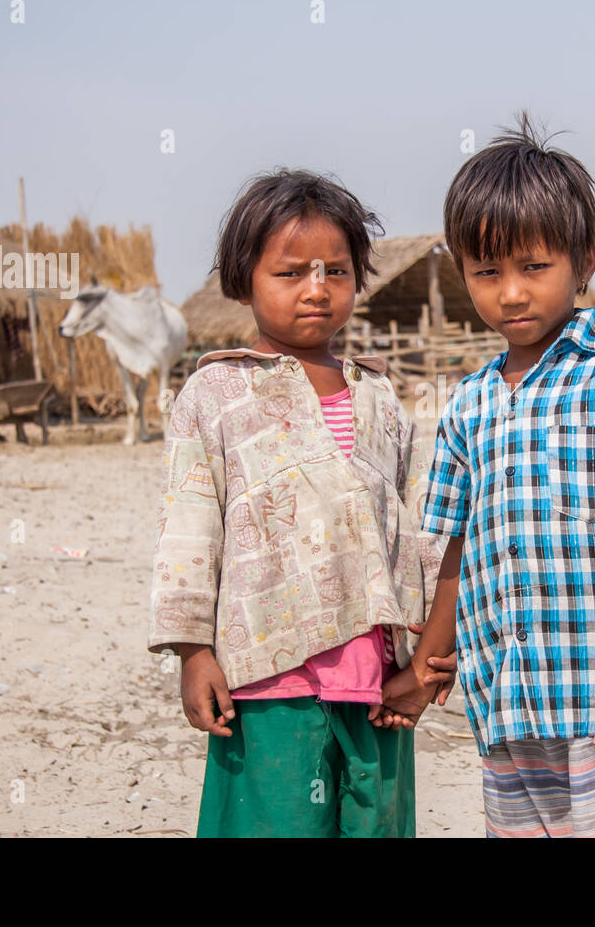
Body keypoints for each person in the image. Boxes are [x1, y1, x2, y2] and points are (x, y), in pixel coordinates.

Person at [375, 114, 595, 837]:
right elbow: (454, 557)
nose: (511, 293)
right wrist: (424, 669)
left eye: (534, 267)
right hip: (504, 706)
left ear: (585, 260)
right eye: (486, 273)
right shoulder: (468, 405)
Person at [148, 169, 450, 838]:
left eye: (335, 271)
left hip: (376, 681)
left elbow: (418, 525)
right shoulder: (215, 394)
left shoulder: (380, 398)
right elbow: (190, 528)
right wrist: (193, 651)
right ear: (242, 279)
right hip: (266, 680)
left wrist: (429, 655)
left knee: (377, 826)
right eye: (290, 273)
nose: (316, 289)